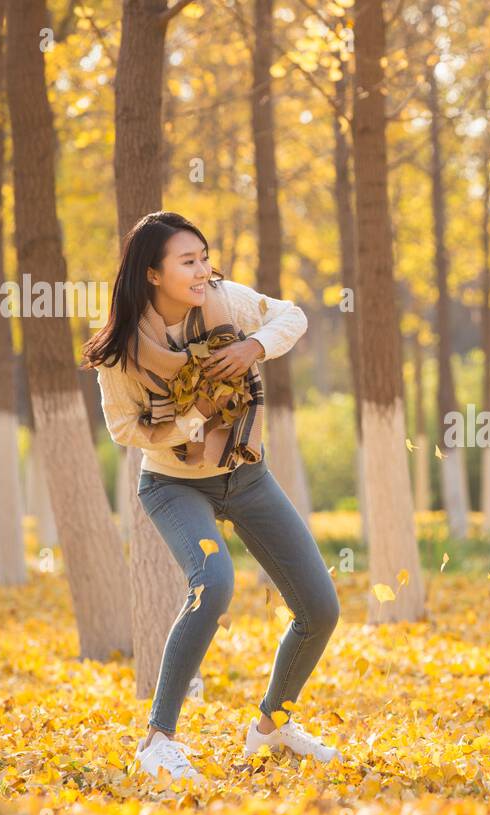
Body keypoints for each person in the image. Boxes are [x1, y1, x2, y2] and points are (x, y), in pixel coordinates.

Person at [82, 211, 342, 782]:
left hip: (245, 474)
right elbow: (125, 429)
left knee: (321, 609)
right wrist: (193, 417)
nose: (202, 271)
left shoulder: (225, 303)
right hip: (174, 485)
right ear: (153, 274)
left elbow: (291, 315)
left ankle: (272, 728)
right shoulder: (123, 351)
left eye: (203, 257)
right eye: (188, 261)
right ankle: (158, 740)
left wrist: (254, 347)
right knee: (214, 583)